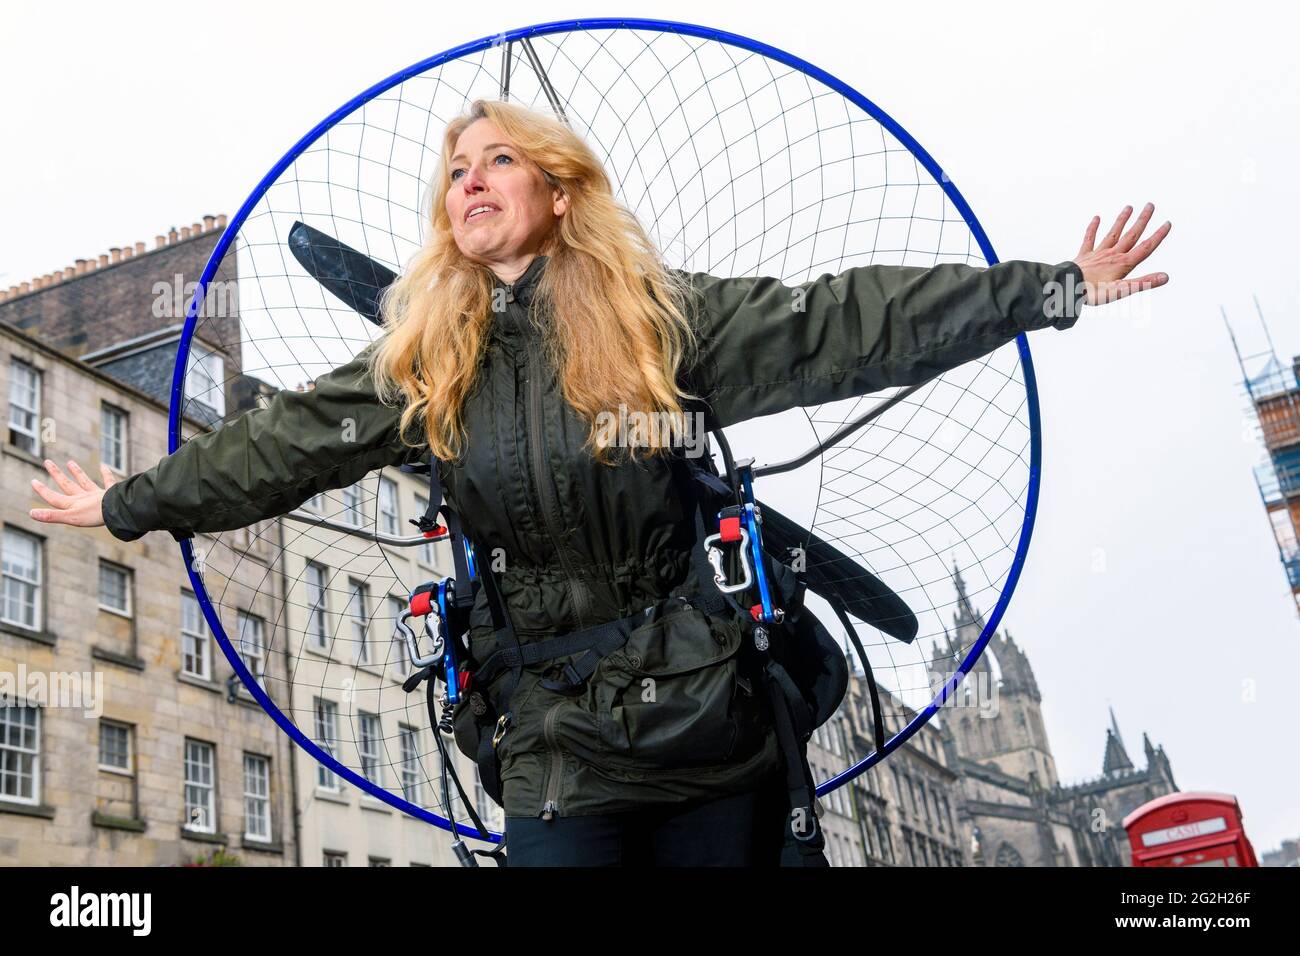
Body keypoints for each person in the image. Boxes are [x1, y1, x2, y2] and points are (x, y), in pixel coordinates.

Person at [28, 98, 1171, 867]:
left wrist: (1048, 287)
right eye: (456, 172)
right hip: (552, 739)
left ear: (560, 192)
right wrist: (129, 501)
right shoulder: (427, 357)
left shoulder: (654, 320)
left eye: (499, 161)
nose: (470, 182)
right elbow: (281, 444)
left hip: (705, 720)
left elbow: (842, 322)